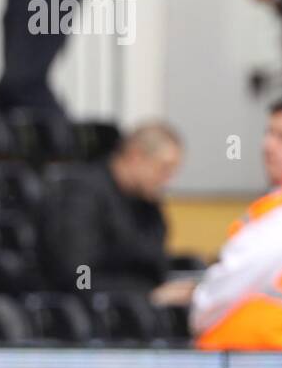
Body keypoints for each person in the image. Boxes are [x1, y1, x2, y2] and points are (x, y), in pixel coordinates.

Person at [41, 122, 195, 304]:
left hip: (134, 310)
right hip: (85, 312)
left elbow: (154, 265)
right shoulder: (81, 194)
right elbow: (79, 278)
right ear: (136, 156)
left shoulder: (146, 202)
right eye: (164, 169)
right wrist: (149, 296)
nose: (168, 180)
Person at [191, 99, 282, 350]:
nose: (267, 146)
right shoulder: (270, 207)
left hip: (257, 364)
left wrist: (196, 308)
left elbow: (223, 289)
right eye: (269, 133)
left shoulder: (279, 220)